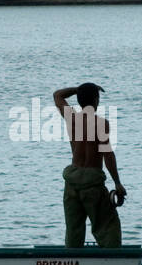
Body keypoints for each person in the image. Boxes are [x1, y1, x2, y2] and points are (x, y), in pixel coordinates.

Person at [52, 83, 126, 247]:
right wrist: (117, 183)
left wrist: (77, 89)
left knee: (74, 229)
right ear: (96, 100)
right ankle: (112, 261)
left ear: (79, 100)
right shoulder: (101, 124)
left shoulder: (71, 117)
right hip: (92, 183)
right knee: (107, 226)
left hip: (72, 182)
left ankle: (73, 262)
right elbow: (108, 155)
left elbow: (57, 95)